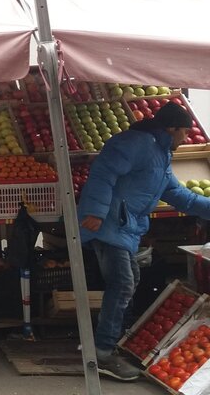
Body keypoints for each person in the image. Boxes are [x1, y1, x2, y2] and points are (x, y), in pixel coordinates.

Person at [78, 101, 210, 382]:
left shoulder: (160, 155)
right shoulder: (137, 143)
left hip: (125, 228)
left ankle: (107, 342)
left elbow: (178, 194)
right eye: (184, 133)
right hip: (109, 223)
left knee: (130, 280)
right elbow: (104, 170)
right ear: (172, 128)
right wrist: (95, 211)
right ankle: (102, 353)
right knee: (123, 282)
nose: (186, 138)